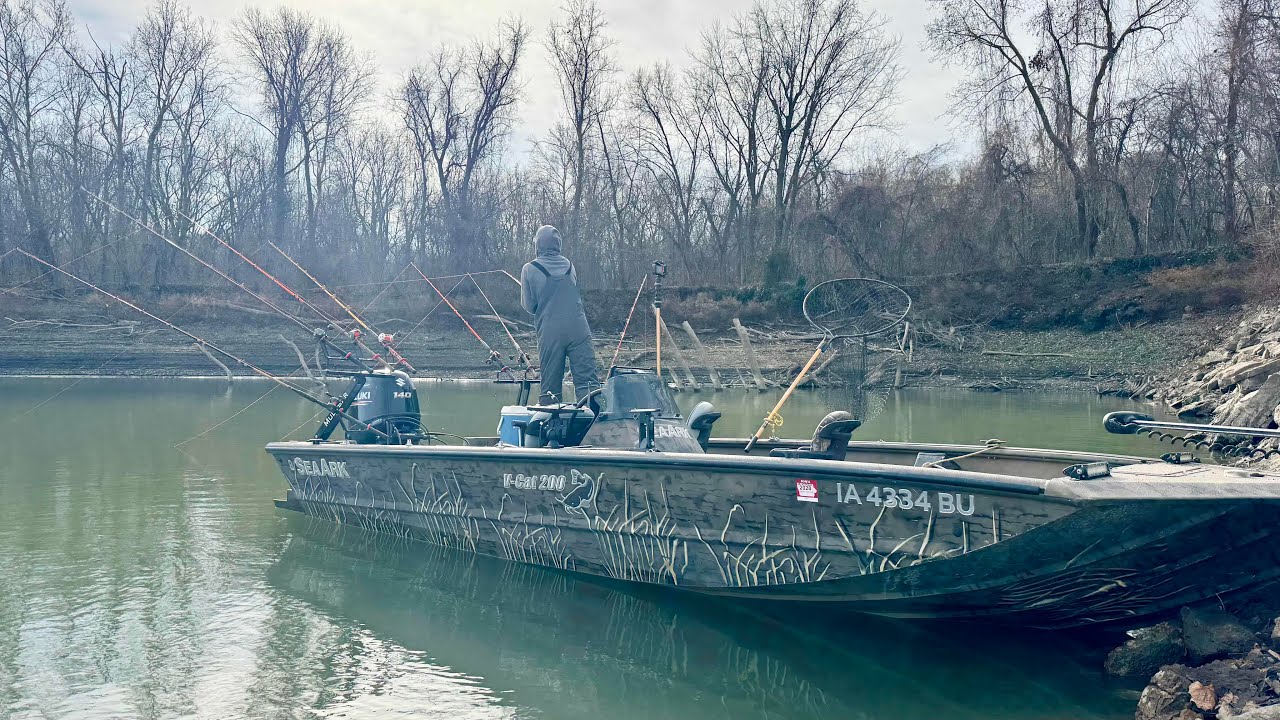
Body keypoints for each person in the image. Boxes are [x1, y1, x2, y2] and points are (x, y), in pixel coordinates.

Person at [520, 225, 601, 404]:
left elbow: (529, 305)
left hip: (551, 331)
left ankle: (552, 426)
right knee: (588, 384)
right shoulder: (570, 266)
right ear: (558, 244)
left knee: (550, 388)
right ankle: (595, 423)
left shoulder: (529, 268)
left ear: (538, 245)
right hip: (579, 328)